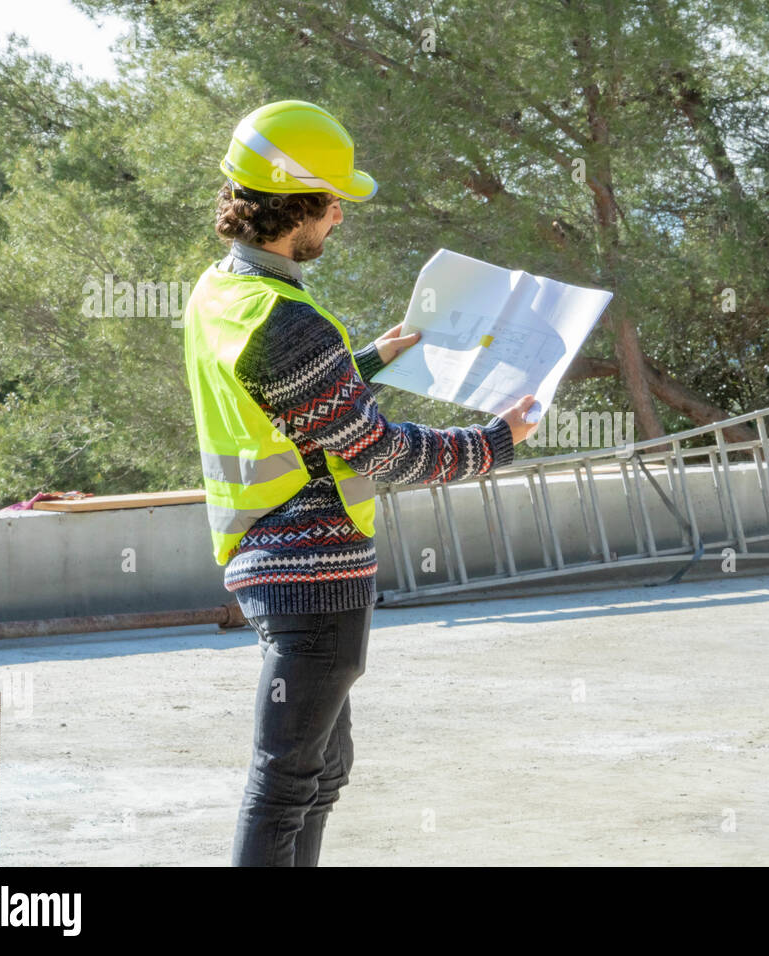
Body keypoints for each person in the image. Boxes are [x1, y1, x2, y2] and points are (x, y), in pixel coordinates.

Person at [180, 100, 538, 866]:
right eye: (334, 200)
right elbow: (379, 452)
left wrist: (367, 359)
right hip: (313, 574)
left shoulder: (221, 293)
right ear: (299, 206)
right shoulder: (290, 321)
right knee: (286, 780)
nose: (341, 216)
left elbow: (282, 401)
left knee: (317, 772)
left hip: (266, 559)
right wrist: (495, 443)